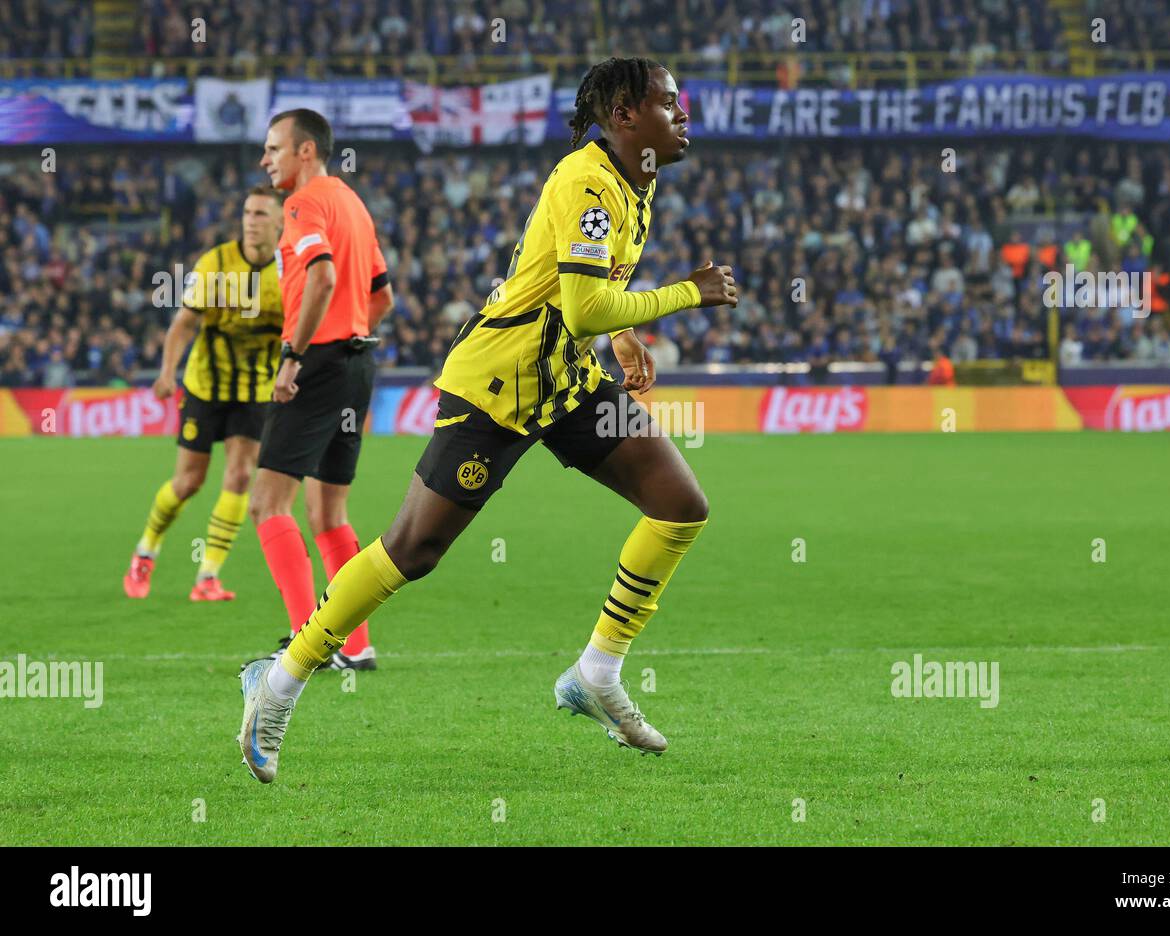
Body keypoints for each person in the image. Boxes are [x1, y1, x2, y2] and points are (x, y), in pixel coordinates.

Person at [237, 57, 738, 783]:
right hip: (500, 384)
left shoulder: (639, 177)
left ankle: (597, 672)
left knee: (679, 504)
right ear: (625, 115)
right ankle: (280, 679)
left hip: (565, 382)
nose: (683, 114)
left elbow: (584, 283)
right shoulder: (589, 182)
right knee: (413, 550)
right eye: (669, 102)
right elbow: (584, 308)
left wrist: (623, 334)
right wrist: (687, 292)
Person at [245, 108, 395, 671]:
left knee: (267, 503)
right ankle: (355, 646)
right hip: (357, 363)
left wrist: (295, 357)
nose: (265, 159)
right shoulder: (352, 204)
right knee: (330, 513)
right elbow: (382, 297)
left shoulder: (302, 204)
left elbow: (323, 275)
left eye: (273, 148)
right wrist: (349, 341)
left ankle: (306, 642)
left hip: (317, 362)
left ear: (304, 151)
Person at [122, 186, 283, 601]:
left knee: (241, 474)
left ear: (280, 222)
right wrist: (167, 372)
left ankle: (207, 577)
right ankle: (146, 550)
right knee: (189, 482)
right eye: (247, 212)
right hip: (205, 386)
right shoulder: (216, 264)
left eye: (261, 214)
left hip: (255, 389)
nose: (251, 221)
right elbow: (183, 323)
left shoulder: (289, 272)